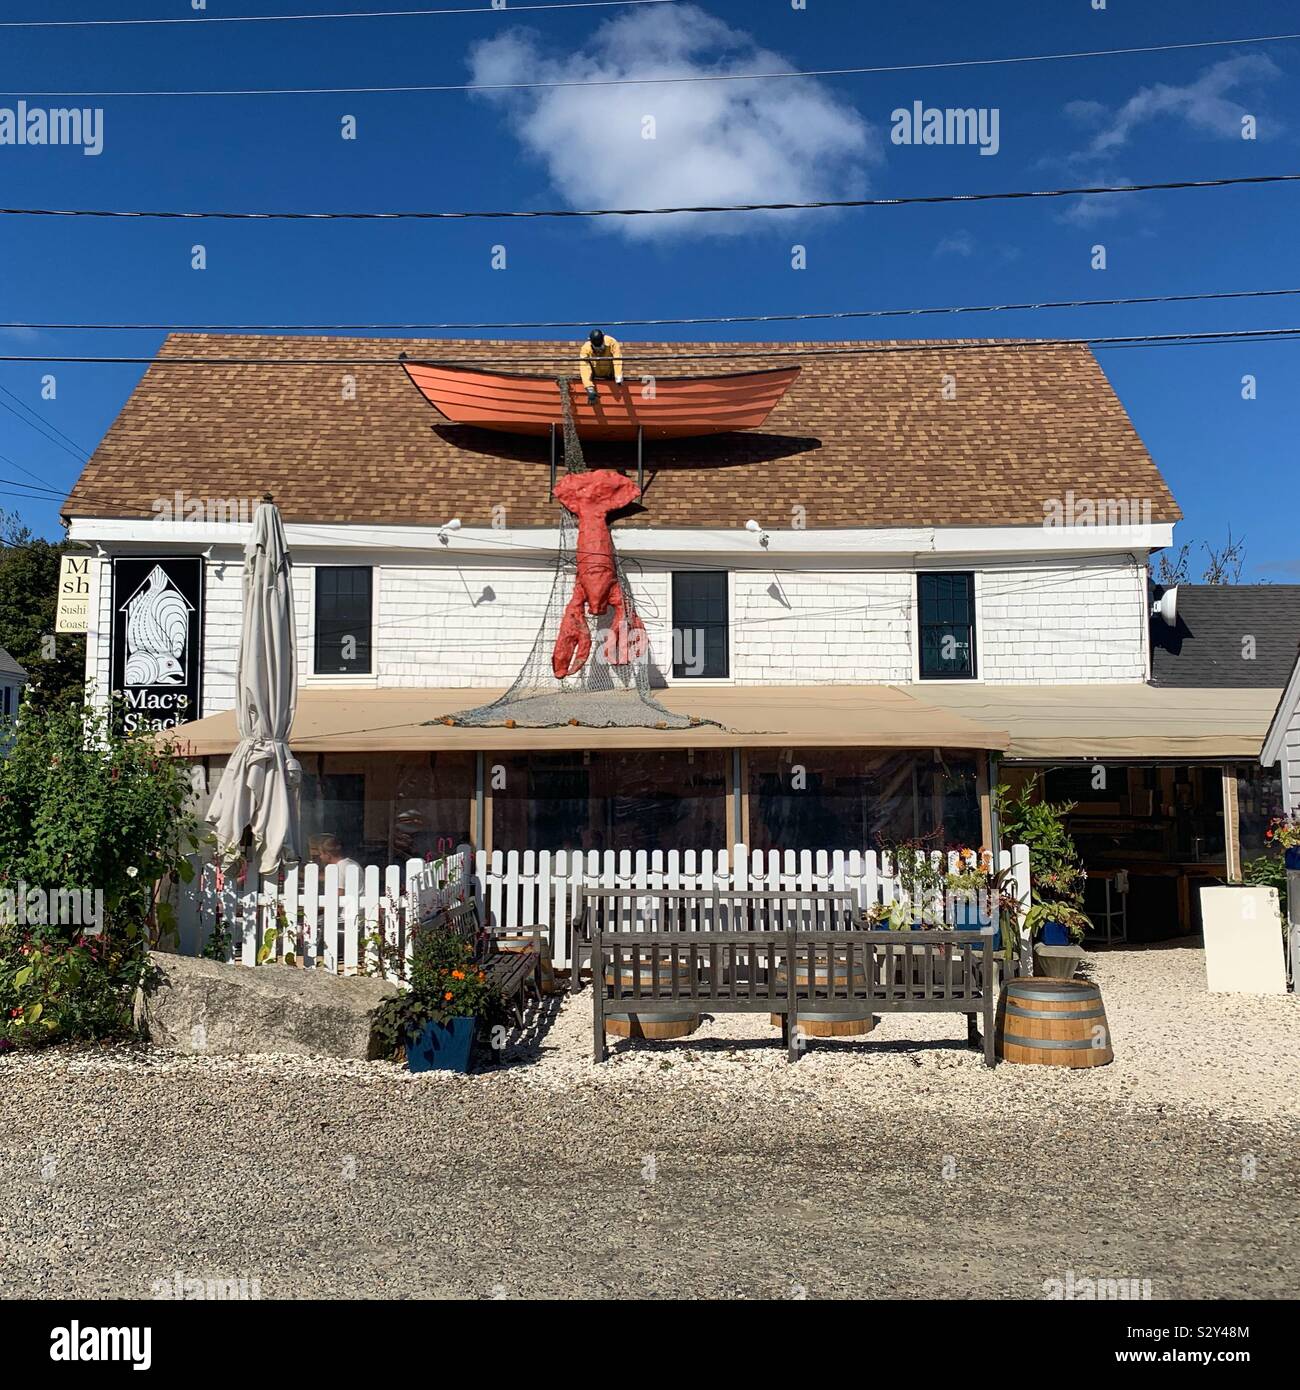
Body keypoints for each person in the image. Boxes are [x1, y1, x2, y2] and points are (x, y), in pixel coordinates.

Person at [579, 329, 623, 405]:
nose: (599, 349)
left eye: (600, 346)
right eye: (596, 347)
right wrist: (589, 388)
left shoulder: (611, 342)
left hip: (610, 374)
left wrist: (618, 377)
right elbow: (585, 368)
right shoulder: (585, 348)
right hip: (596, 374)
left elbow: (617, 359)